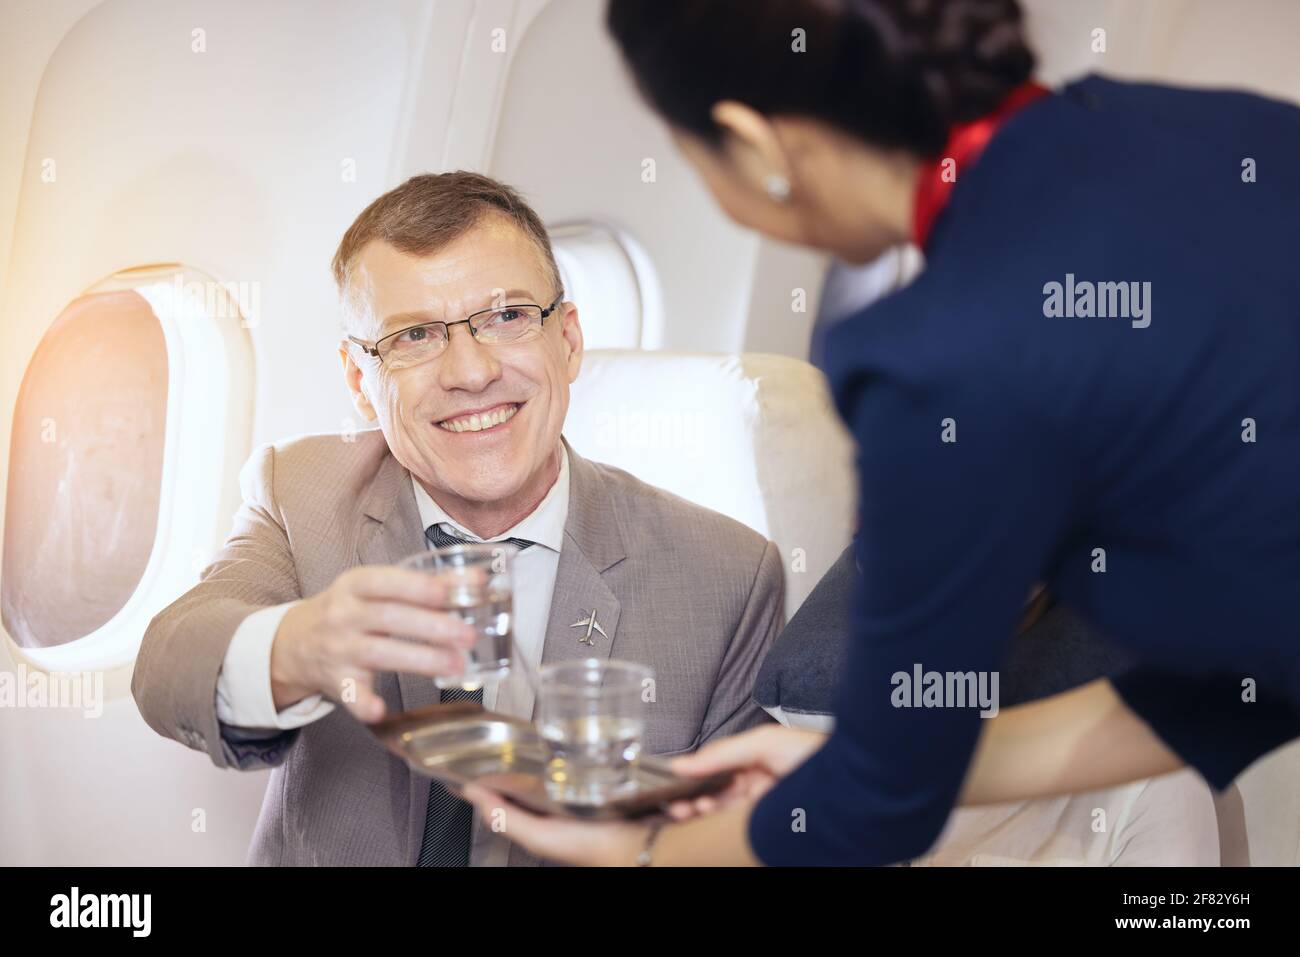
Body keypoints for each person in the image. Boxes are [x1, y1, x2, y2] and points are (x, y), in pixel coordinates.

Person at [461, 0, 1300, 865]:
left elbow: (878, 811)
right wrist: (853, 761)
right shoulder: (1214, 132)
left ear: (753, 143)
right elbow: (1240, 679)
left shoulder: (943, 360)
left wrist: (644, 848)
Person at [132, 171, 784, 866]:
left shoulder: (726, 577)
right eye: (415, 335)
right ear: (361, 383)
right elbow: (168, 667)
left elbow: (747, 842)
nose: (470, 373)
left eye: (506, 318)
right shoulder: (301, 494)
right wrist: (296, 646)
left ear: (566, 342)